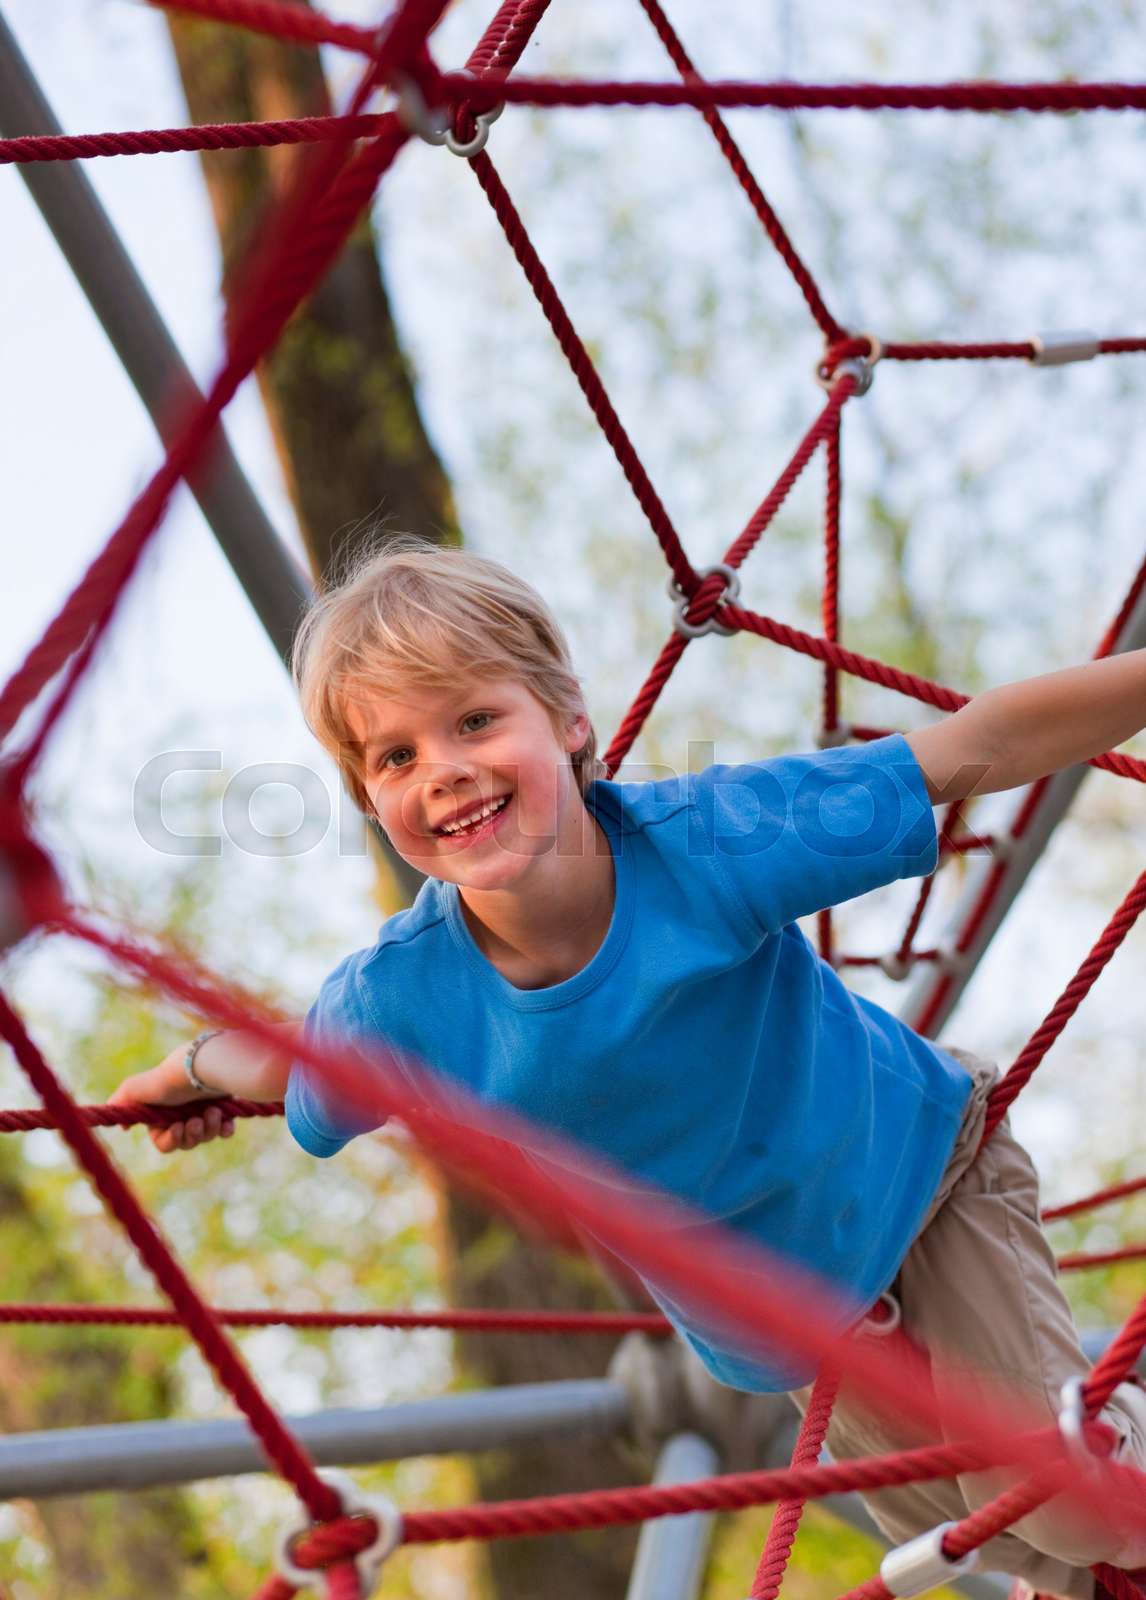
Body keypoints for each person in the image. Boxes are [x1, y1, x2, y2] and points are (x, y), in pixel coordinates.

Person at [109, 534, 1146, 1596]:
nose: (446, 770)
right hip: (811, 1331)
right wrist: (195, 1066)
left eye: (475, 719)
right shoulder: (405, 995)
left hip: (927, 1176)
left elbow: (968, 747)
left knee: (1063, 1503)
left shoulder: (706, 841)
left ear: (568, 718)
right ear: (370, 799)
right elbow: (293, 1062)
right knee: (1016, 1554)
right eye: (396, 756)